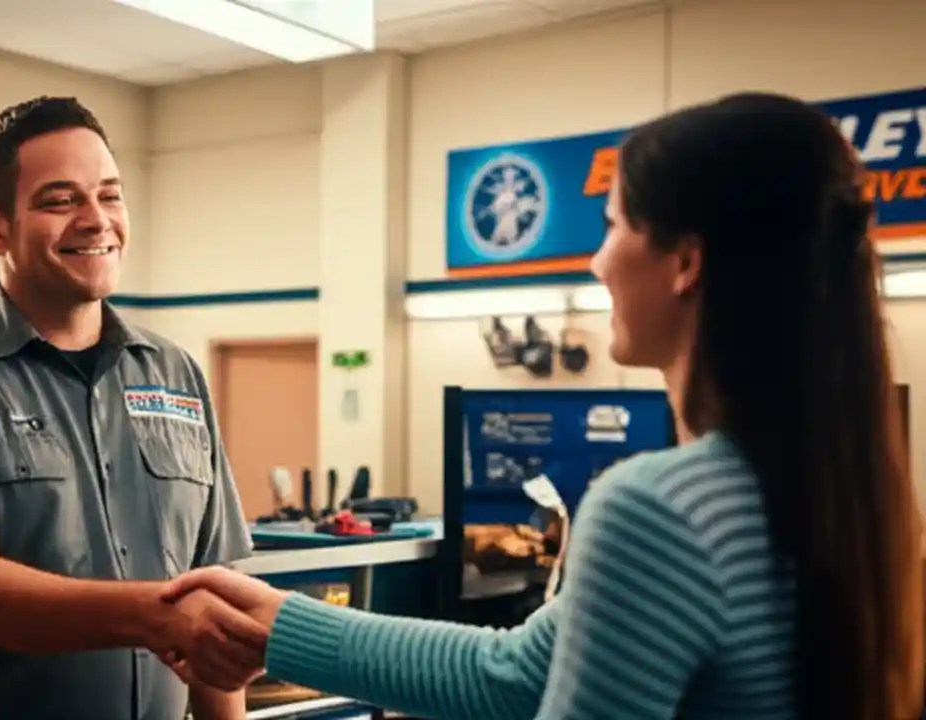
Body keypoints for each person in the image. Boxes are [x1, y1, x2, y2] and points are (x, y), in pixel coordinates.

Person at [161, 92, 926, 719]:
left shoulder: (658, 511)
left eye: (616, 225)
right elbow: (520, 671)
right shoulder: (847, 495)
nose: (596, 261)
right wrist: (281, 625)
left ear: (685, 262)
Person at [0, 96, 260, 720]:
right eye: (60, 200)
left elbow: (213, 596)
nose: (97, 220)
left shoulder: (175, 374)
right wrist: (160, 618)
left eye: (110, 194)